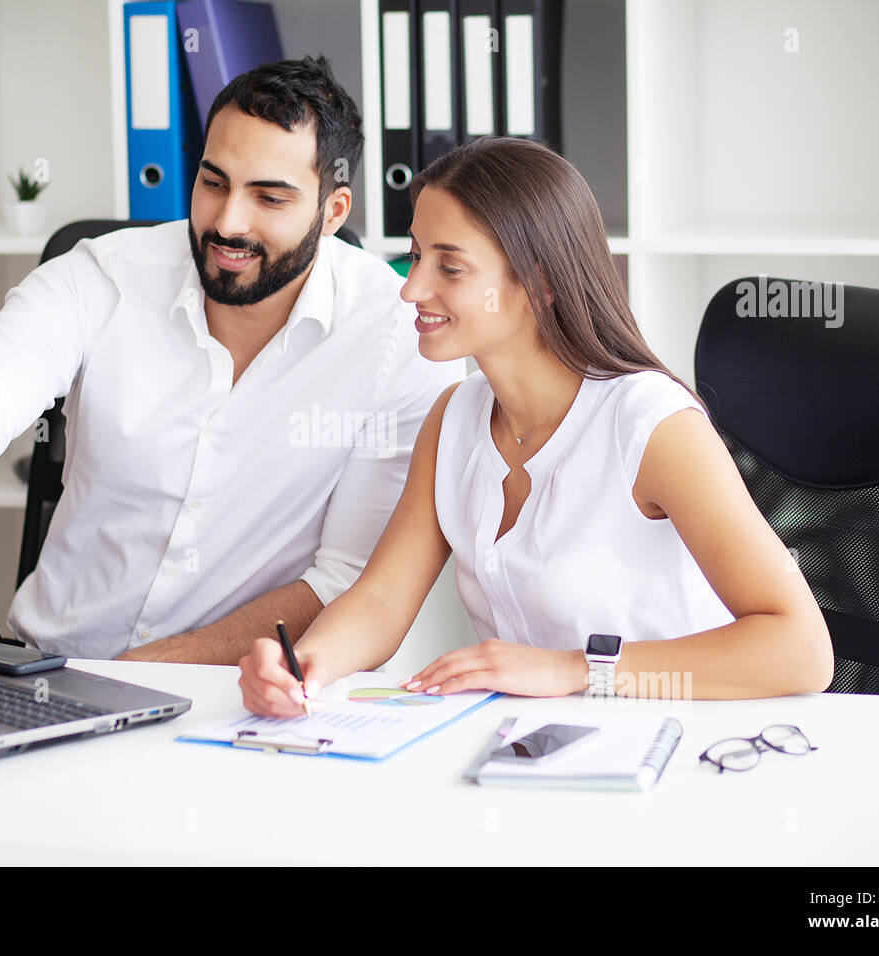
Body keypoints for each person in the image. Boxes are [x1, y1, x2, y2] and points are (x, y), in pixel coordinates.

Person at [0, 57, 462, 662]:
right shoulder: (103, 275)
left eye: (269, 197)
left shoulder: (400, 335)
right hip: (50, 673)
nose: (228, 221)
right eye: (213, 182)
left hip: (233, 696)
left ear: (333, 212)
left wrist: (136, 681)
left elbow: (345, 581)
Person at [238, 136, 835, 711]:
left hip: (682, 750)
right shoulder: (453, 420)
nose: (412, 288)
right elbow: (380, 601)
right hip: (537, 755)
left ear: (541, 284)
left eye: (451, 267)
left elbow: (802, 650)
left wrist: (572, 669)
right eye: (417, 256)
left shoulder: (652, 426)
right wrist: (304, 668)